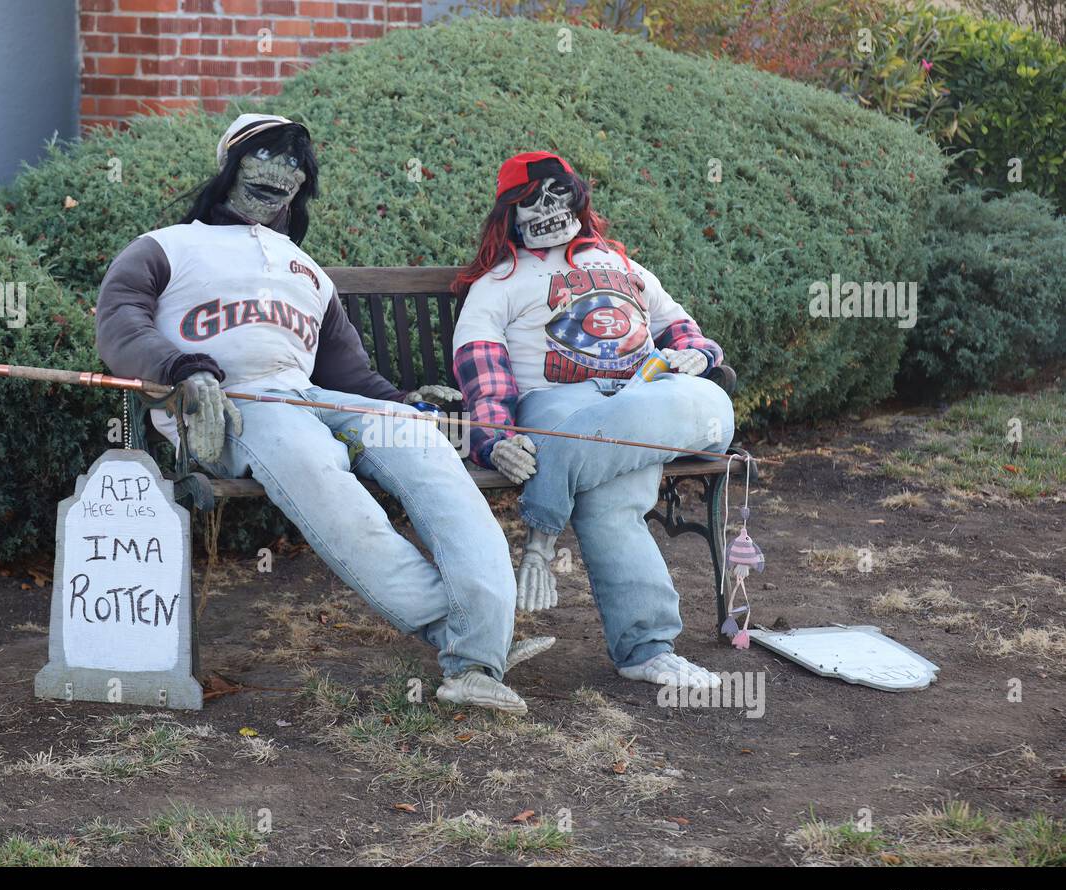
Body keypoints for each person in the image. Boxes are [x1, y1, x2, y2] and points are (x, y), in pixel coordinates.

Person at [94, 115, 550, 714]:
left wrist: (409, 407)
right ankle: (465, 642)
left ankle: (480, 649)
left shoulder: (306, 271)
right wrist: (183, 369)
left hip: (313, 400)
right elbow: (119, 318)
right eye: (267, 157)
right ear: (230, 162)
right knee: (319, 470)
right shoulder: (165, 246)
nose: (281, 174)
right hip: (232, 407)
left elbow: (349, 375)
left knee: (423, 445)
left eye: (294, 164)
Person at [452, 151, 734, 689]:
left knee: (711, 406)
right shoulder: (500, 282)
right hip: (560, 403)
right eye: (531, 202)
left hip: (652, 394)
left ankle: (540, 532)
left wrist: (698, 354)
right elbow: (482, 371)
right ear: (509, 214)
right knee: (609, 498)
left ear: (578, 202)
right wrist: (493, 439)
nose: (548, 211)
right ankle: (646, 650)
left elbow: (680, 326)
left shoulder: (622, 265)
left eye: (559, 197)